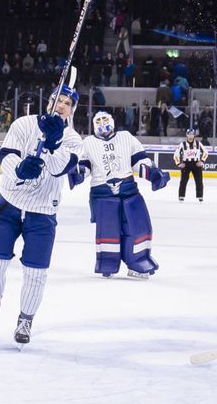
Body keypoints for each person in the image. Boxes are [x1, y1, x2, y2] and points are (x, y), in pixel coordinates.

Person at [0, 83, 84, 347]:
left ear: (72, 111)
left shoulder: (73, 139)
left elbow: (62, 168)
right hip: (9, 204)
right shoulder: (24, 124)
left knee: (36, 273)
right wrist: (20, 169)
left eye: (67, 104)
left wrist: (54, 142)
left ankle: (25, 319)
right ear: (48, 102)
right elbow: (7, 155)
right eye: (58, 100)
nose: (61, 105)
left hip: (43, 213)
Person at [72, 111, 168, 279]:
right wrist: (77, 174)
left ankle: (138, 261)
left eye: (105, 119)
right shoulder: (88, 142)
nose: (102, 122)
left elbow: (139, 161)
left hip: (128, 190)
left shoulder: (126, 137)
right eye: (98, 120)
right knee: (108, 231)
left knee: (138, 226)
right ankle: (107, 262)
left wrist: (152, 174)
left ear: (112, 121)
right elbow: (85, 166)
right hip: (102, 193)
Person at [173, 127, 209, 202]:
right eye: (189, 134)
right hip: (186, 164)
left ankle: (200, 196)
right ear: (186, 135)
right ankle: (181, 196)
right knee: (183, 181)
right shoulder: (182, 144)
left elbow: (206, 152)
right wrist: (178, 163)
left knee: (199, 181)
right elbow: (176, 154)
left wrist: (202, 161)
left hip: (196, 164)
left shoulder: (198, 143)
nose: (190, 136)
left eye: (192, 134)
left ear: (194, 135)